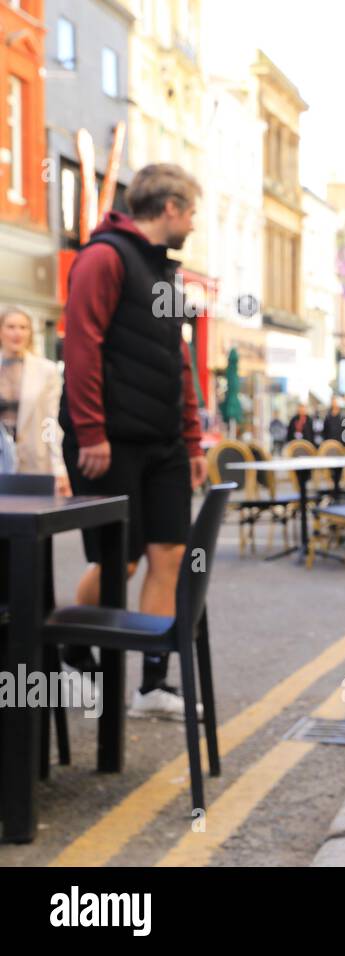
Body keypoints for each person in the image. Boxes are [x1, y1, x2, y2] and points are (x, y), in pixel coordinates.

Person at [60, 163, 208, 720]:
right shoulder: (103, 257)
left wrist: (192, 442)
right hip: (110, 442)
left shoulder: (166, 273)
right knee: (119, 564)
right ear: (168, 207)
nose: (193, 223)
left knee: (169, 553)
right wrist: (91, 432)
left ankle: (151, 685)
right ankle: (74, 655)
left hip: (164, 444)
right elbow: (81, 346)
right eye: (191, 211)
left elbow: (177, 361)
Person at [0, 306, 71, 496]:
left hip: (34, 459)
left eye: (23, 327)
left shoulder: (46, 370)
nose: (17, 333)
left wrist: (58, 466)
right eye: (11, 327)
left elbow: (51, 420)